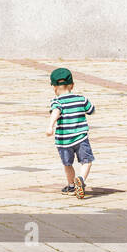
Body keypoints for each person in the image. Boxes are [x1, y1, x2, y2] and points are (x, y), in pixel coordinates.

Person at [46, 67, 95, 200]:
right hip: (81, 137)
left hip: (63, 140)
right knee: (87, 161)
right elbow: (91, 110)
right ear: (72, 85)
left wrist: (50, 126)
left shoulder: (57, 102)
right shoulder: (81, 99)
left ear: (54, 87)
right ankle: (81, 179)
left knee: (68, 164)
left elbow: (56, 112)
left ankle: (71, 185)